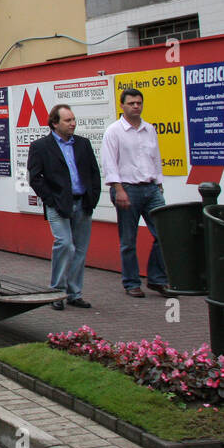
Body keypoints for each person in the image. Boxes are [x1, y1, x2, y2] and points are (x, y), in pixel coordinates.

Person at [28, 104, 102, 310]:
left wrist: (92, 198)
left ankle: (74, 293)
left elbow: (94, 173)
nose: (73, 124)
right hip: (58, 204)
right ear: (55, 123)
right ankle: (56, 291)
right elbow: (35, 178)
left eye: (73, 119)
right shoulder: (41, 146)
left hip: (83, 202)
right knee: (65, 244)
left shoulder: (83, 144)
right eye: (68, 120)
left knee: (79, 249)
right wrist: (51, 200)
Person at [102, 87, 170, 298]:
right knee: (128, 239)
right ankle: (131, 283)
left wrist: (158, 183)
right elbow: (109, 163)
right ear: (122, 105)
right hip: (127, 189)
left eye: (139, 103)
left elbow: (155, 158)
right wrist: (118, 189)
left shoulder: (149, 129)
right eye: (131, 103)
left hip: (151, 189)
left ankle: (157, 279)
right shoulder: (114, 131)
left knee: (165, 234)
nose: (136, 106)